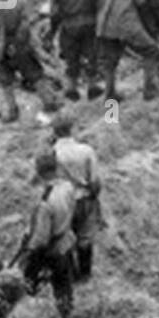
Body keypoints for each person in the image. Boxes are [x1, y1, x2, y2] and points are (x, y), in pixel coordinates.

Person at [0, 0, 56, 123]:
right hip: (20, 46)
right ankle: (49, 102)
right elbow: (26, 24)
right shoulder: (20, 1)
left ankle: (12, 110)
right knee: (35, 74)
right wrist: (17, 42)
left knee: (5, 80)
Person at [24, 151, 77, 318]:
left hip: (51, 250)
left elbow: (41, 238)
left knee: (28, 284)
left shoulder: (45, 201)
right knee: (64, 287)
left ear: (40, 172)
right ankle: (66, 316)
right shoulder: (68, 187)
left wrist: (29, 250)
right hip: (66, 241)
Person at [52, 115, 102, 281]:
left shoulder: (52, 154)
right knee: (85, 238)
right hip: (85, 198)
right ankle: (85, 275)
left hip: (62, 202)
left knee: (64, 238)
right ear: (71, 130)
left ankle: (71, 274)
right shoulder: (86, 151)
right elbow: (94, 180)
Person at [48, 0, 101, 101]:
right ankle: (92, 87)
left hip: (69, 25)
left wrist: (52, 31)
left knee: (71, 57)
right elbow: (100, 4)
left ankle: (72, 89)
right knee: (91, 54)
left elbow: (54, 13)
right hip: (90, 23)